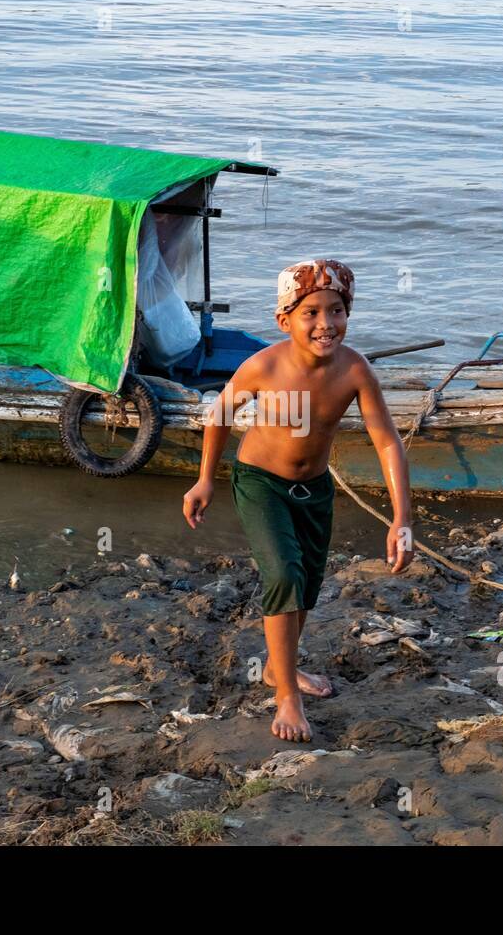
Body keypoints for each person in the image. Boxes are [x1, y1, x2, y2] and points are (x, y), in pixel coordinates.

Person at [182, 258, 413, 742]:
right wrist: (205, 480)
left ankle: (276, 667)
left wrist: (401, 519)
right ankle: (286, 695)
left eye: (336, 311)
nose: (325, 324)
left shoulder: (354, 370)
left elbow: (387, 440)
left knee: (306, 586)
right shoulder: (264, 366)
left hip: (316, 489)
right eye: (311, 313)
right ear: (285, 320)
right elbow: (219, 416)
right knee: (284, 575)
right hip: (261, 483)